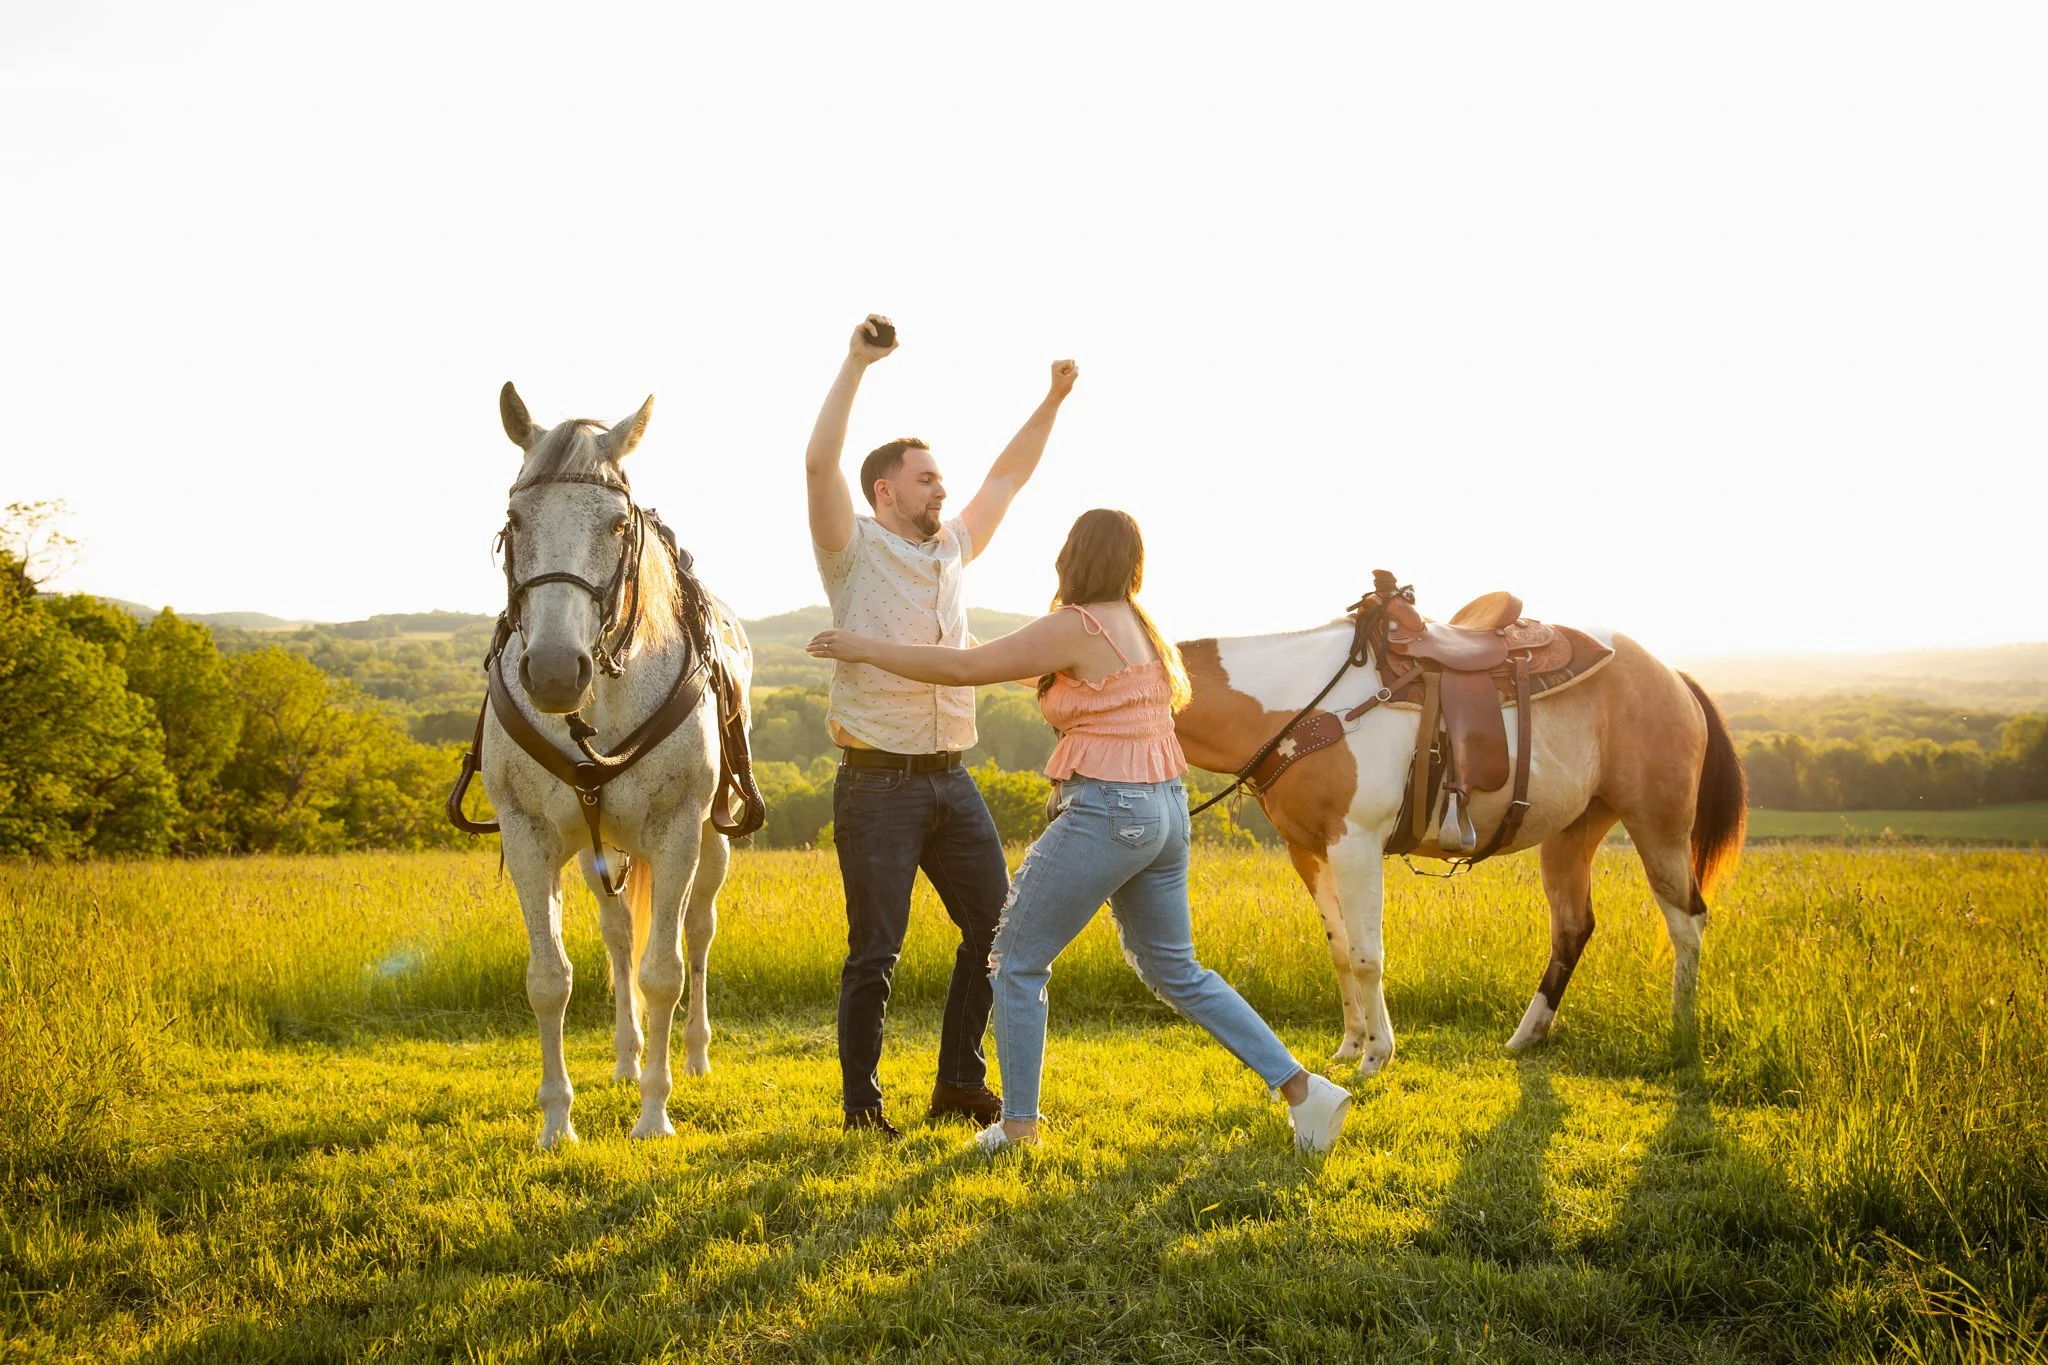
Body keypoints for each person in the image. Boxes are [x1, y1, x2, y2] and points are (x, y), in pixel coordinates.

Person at [807, 508, 1352, 1154]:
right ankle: (1303, 1090)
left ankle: (1018, 1127)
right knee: (1177, 969)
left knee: (1014, 958)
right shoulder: (1137, 625)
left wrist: (861, 646)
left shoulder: (1077, 625)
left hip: (1110, 810)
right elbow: (1004, 661)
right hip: (1165, 811)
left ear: (1075, 554)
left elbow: (963, 671)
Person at [805, 313, 1079, 1137]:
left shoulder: (954, 547)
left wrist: (1053, 399)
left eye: (940, 479)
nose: (942, 490)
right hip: (876, 783)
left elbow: (1008, 477)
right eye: (927, 479)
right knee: (876, 953)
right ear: (886, 490)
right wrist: (857, 364)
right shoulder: (847, 546)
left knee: (996, 931)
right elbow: (819, 461)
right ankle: (862, 1106)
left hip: (950, 779)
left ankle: (959, 1079)